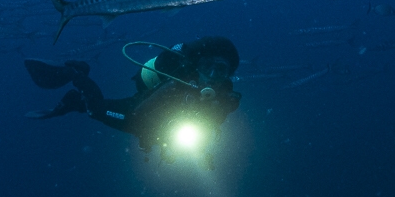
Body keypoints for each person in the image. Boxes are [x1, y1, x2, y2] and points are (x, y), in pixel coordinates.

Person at [25, 36, 241, 153]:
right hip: (141, 111)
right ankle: (77, 73)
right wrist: (154, 134)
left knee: (99, 109)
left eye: (220, 70)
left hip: (161, 127)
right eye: (207, 66)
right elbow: (138, 116)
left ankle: (76, 101)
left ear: (228, 74)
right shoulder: (177, 85)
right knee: (97, 110)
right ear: (197, 66)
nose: (212, 75)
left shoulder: (226, 98)